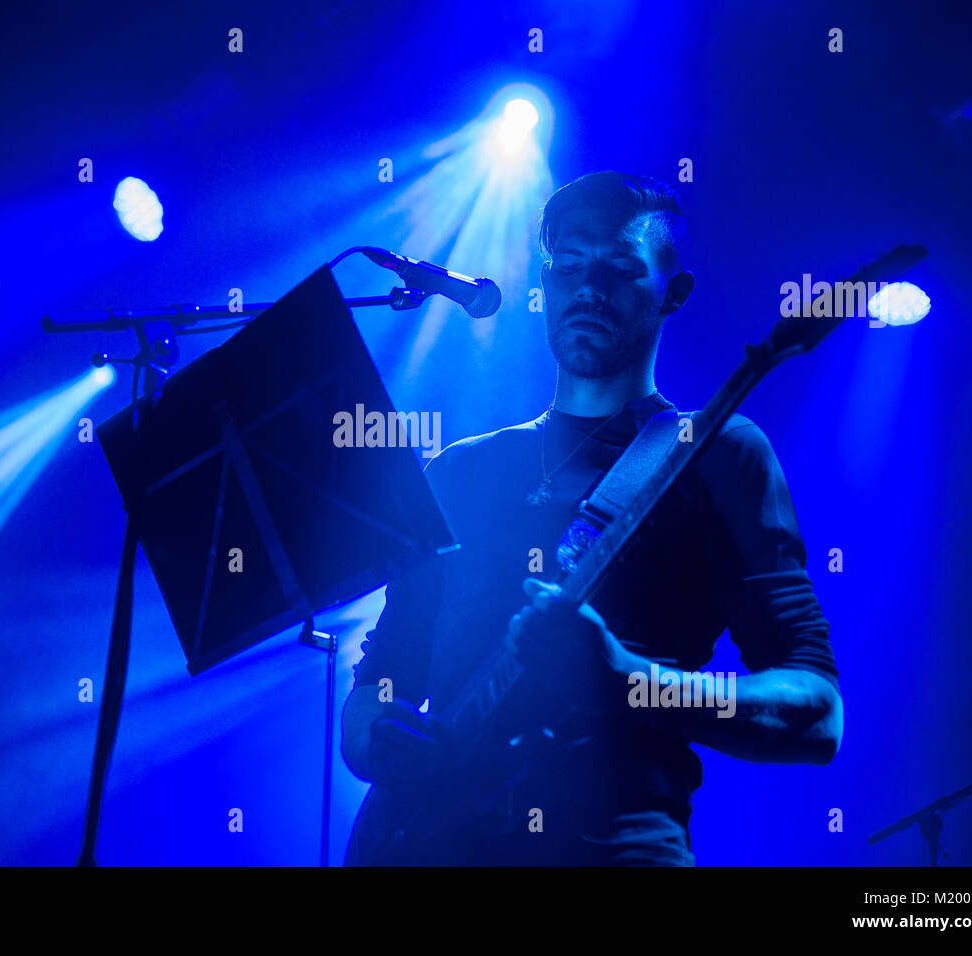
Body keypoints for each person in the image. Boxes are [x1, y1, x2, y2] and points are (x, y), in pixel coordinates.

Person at [341, 171, 843, 865]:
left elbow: (818, 712)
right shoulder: (457, 471)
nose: (589, 289)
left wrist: (629, 682)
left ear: (674, 293)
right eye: (569, 266)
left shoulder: (719, 451)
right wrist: (377, 743)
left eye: (619, 269)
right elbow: (381, 679)